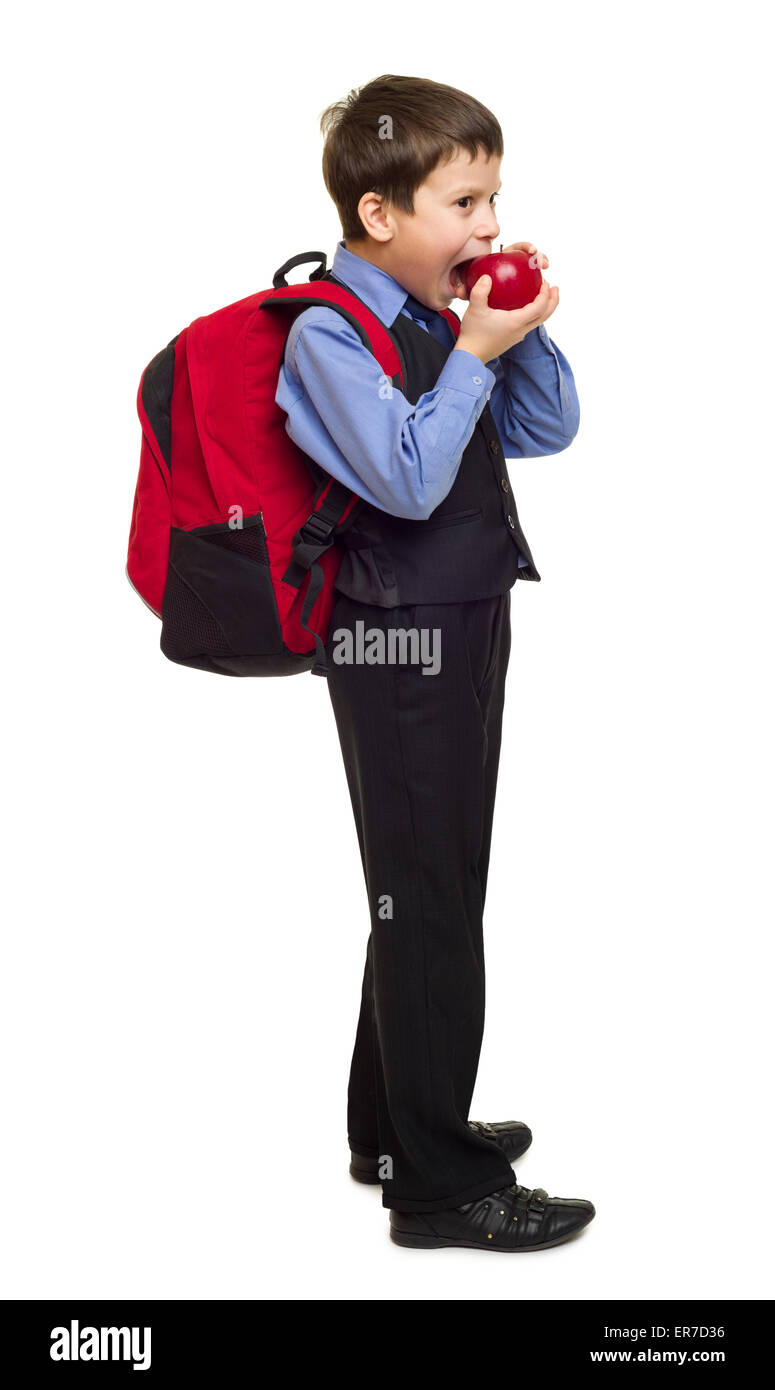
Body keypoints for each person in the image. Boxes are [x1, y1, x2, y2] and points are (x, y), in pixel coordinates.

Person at [275, 73, 596, 1252]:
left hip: (462, 619)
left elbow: (542, 430)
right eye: (464, 202)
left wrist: (516, 332)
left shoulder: (430, 317)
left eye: (493, 197)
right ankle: (441, 1188)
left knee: (429, 885)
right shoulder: (327, 332)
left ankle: (390, 1126)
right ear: (378, 215)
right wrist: (470, 341)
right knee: (430, 901)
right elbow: (404, 478)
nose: (490, 225)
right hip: (392, 637)